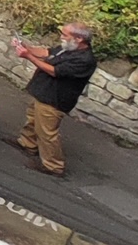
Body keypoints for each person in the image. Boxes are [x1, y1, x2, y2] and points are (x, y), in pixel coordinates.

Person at [11, 22, 99, 178]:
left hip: (54, 99)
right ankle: (27, 143)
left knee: (47, 132)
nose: (61, 37)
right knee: (33, 118)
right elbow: (47, 52)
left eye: (65, 35)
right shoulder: (69, 47)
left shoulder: (85, 60)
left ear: (78, 39)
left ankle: (53, 166)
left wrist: (28, 56)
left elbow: (55, 71)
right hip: (44, 92)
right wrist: (26, 47)